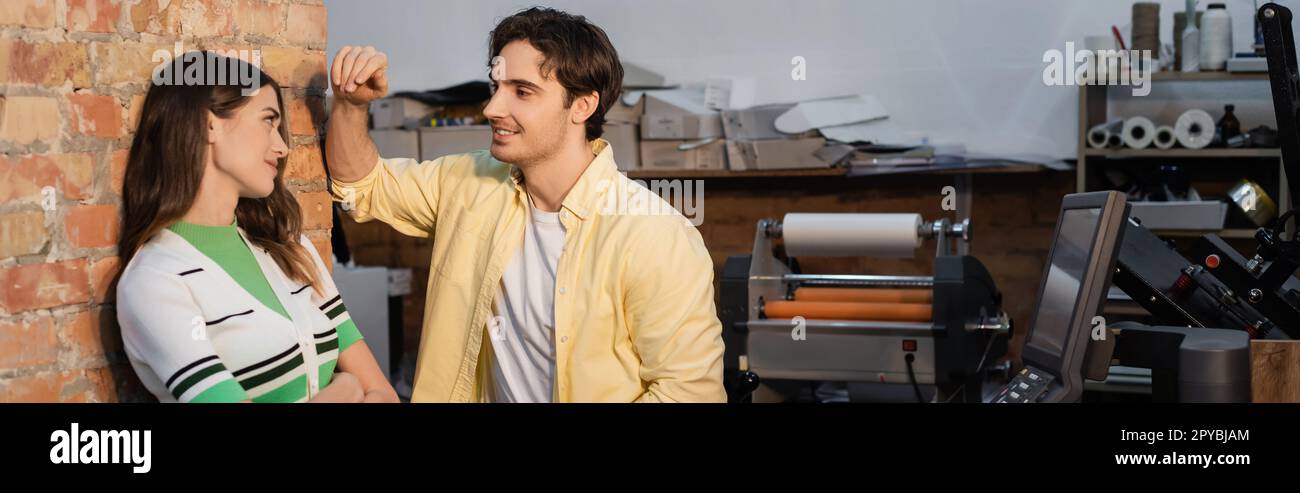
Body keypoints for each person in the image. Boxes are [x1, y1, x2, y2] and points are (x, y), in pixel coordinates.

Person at [326, 8, 725, 402]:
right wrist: (349, 104)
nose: (492, 108)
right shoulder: (467, 183)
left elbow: (689, 393)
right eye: (495, 86)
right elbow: (362, 184)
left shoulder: (655, 234)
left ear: (582, 106)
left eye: (522, 91)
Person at [115, 52, 399, 403]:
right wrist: (346, 389)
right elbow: (362, 386)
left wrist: (361, 389)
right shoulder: (156, 281)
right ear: (209, 125)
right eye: (268, 120)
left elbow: (382, 392)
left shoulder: (290, 248)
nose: (281, 147)